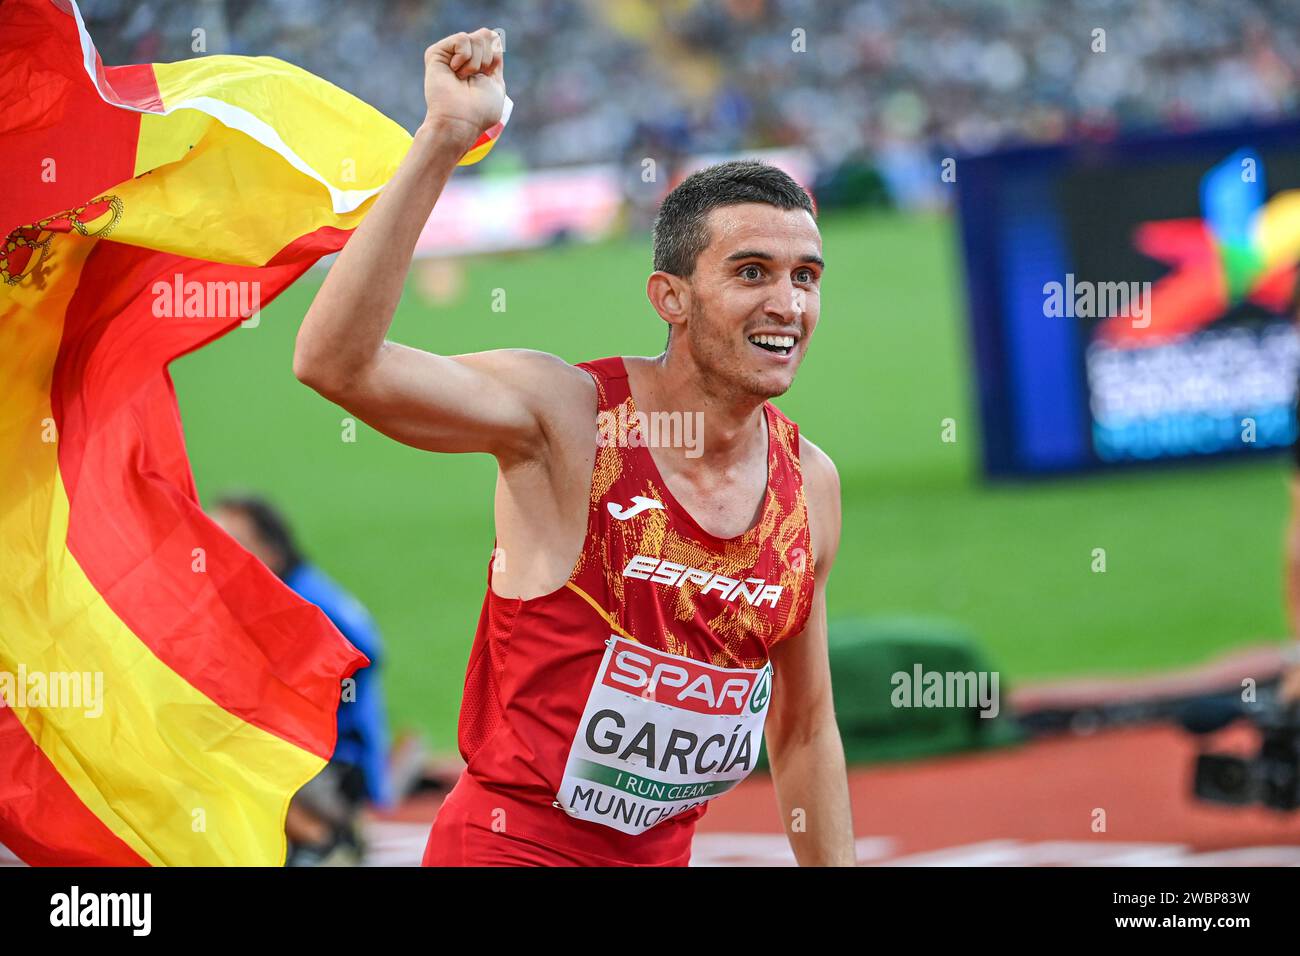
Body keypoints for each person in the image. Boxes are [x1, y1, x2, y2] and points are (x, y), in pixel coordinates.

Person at [293, 29, 855, 866]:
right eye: (751, 272)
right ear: (670, 296)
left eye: (804, 276)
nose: (787, 303)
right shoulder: (568, 417)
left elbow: (803, 728)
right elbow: (337, 363)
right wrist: (444, 139)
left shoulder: (808, 484)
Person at [211, 495, 392, 865]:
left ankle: (323, 841)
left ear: (271, 552)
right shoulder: (295, 591)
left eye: (231, 544)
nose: (217, 556)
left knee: (220, 748)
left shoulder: (303, 603)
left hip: (336, 770)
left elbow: (367, 654)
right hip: (325, 761)